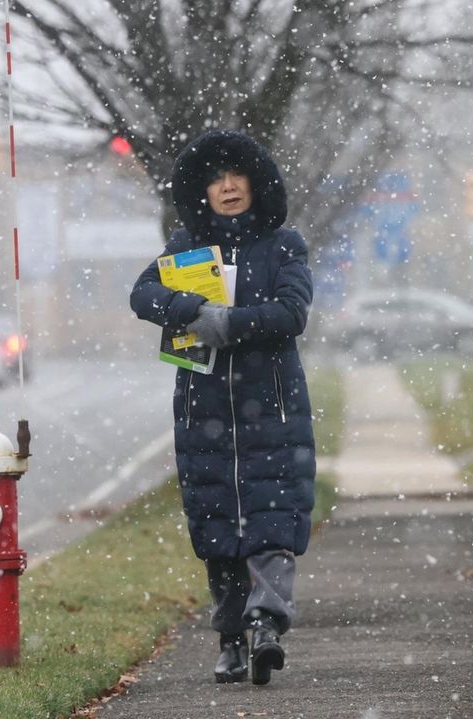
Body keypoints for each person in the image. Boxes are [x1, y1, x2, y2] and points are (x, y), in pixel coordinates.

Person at [129, 129, 316, 686]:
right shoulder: (184, 250)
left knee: (273, 523)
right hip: (203, 409)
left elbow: (291, 313)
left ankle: (266, 624)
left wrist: (230, 324)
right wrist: (189, 309)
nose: (228, 186)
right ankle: (231, 636)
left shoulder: (285, 245)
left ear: (256, 184)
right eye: (216, 178)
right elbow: (142, 295)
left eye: (237, 175)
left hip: (273, 410)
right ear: (202, 190)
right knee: (217, 531)